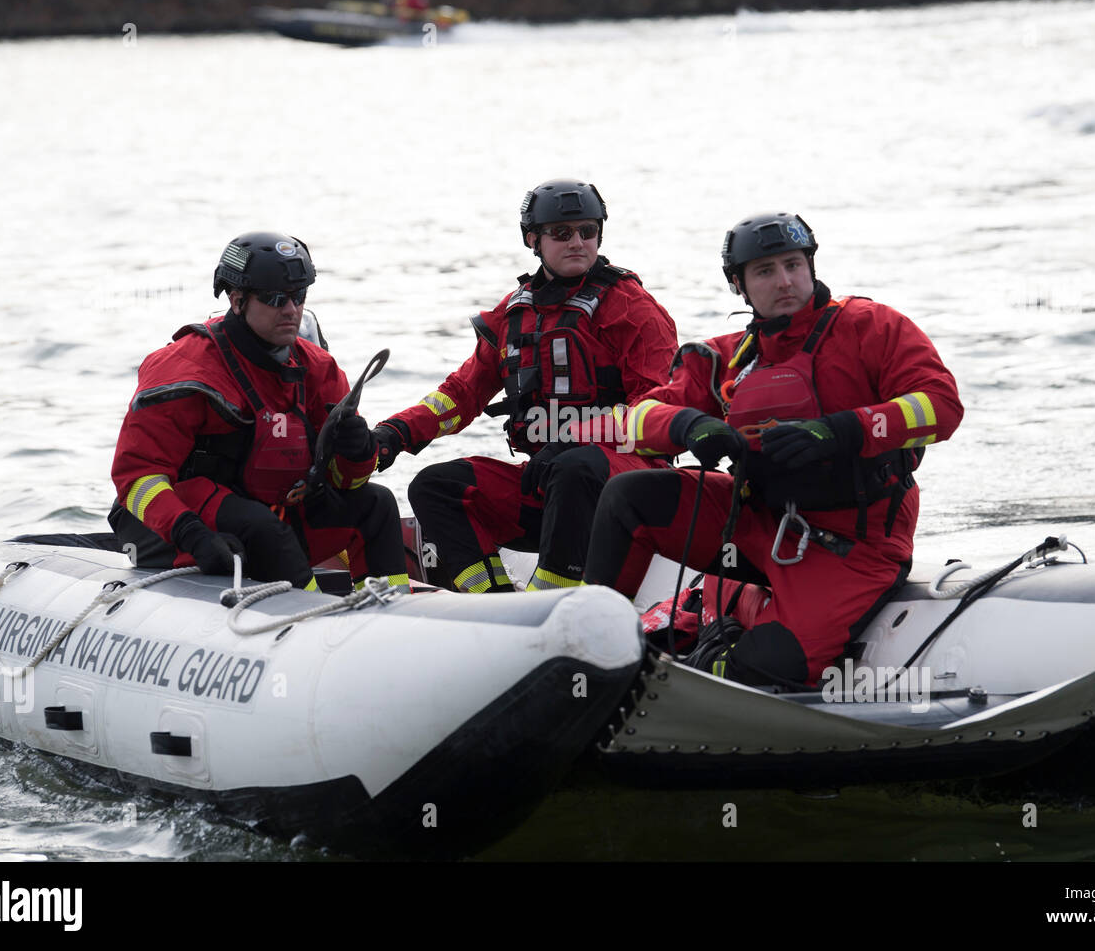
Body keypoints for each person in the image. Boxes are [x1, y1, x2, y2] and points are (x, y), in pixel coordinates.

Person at [582, 210, 963, 689]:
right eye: (765, 271)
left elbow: (942, 406)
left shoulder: (872, 326)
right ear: (739, 286)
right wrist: (688, 425)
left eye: (793, 265)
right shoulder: (724, 357)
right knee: (629, 494)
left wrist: (840, 431)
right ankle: (590, 651)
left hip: (854, 545)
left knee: (770, 669)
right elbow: (628, 421)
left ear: (811, 266)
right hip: (757, 521)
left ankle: (722, 610)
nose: (784, 281)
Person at [371, 179, 679, 593]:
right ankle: (493, 601)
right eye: (562, 233)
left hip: (628, 485)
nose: (577, 242)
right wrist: (394, 433)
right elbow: (461, 393)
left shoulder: (633, 307)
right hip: (551, 482)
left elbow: (659, 405)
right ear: (532, 239)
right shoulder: (515, 313)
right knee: (434, 486)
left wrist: (576, 440)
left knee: (576, 467)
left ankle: (550, 598)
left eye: (588, 232)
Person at [109, 231, 409, 593]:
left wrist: (358, 454)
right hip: (169, 524)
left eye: (299, 296)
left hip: (271, 515)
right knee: (262, 527)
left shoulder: (319, 369)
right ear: (237, 301)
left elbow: (343, 483)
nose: (291, 309)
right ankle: (311, 619)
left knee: (376, 503)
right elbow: (136, 479)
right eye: (275, 298)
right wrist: (192, 535)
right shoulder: (184, 370)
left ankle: (389, 607)